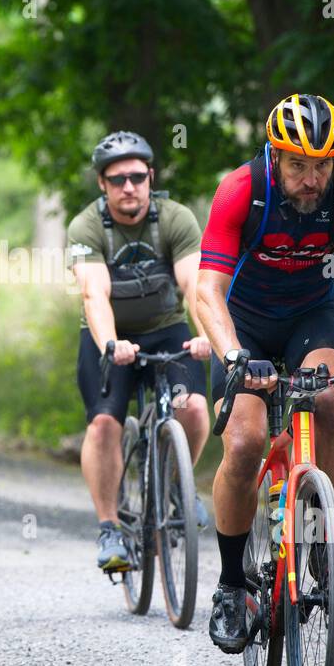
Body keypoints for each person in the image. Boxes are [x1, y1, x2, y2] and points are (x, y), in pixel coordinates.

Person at [195, 94, 334, 654]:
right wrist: (233, 355)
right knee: (245, 442)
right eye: (299, 165)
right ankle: (233, 584)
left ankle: (321, 538)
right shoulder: (241, 189)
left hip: (312, 317)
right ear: (274, 158)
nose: (312, 179)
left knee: (330, 401)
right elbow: (207, 291)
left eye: (323, 165)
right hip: (244, 325)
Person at [67, 130, 213, 574]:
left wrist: (207, 336)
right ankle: (110, 525)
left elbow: (194, 285)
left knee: (194, 409)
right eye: (116, 180)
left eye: (135, 177)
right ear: (102, 185)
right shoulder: (86, 227)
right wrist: (112, 344)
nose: (127, 187)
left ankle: (175, 488)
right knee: (104, 425)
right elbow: (94, 294)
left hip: (167, 330)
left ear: (150, 177)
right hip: (109, 337)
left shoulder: (175, 218)